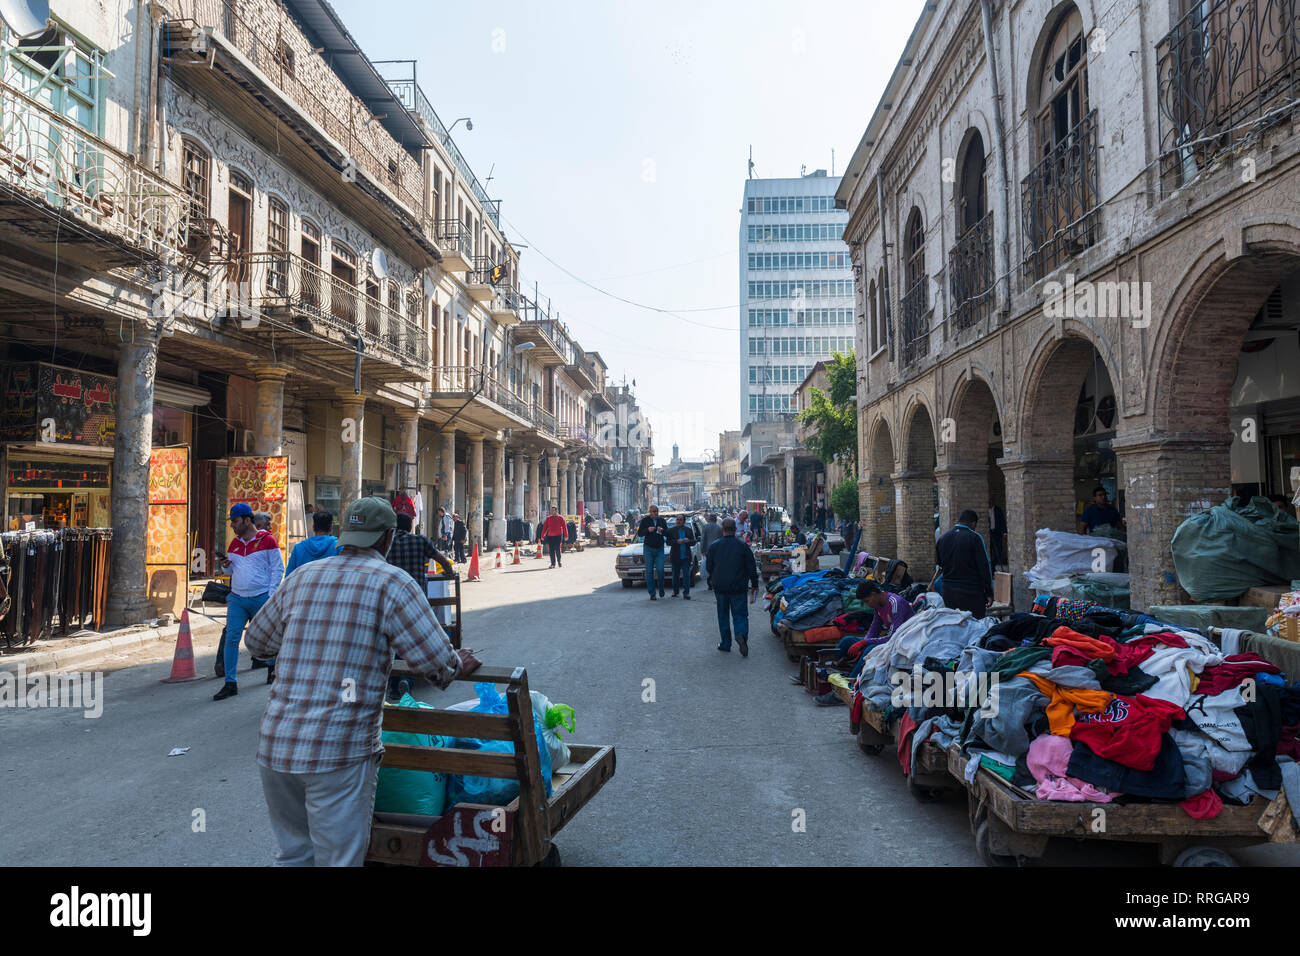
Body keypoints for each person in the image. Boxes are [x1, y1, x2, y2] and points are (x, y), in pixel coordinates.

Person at [244, 496, 480, 867]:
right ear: (387, 539)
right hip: (339, 751)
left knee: (294, 856)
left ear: (345, 535)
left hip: (277, 748)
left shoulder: (303, 576)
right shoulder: (392, 583)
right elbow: (436, 665)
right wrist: (457, 664)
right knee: (340, 860)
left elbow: (257, 642)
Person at [214, 503, 285, 700]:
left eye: (235, 521)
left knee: (267, 637)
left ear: (247, 520)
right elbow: (230, 571)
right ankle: (230, 682)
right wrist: (226, 566)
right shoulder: (234, 544)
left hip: (261, 596)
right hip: (237, 598)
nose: (232, 526)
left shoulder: (268, 540)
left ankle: (272, 670)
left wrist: (271, 594)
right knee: (231, 638)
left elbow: (277, 569)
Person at [813, 580, 916, 705]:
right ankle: (825, 669)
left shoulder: (896, 603)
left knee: (869, 649)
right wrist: (863, 642)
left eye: (867, 601)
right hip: (892, 641)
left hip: (904, 644)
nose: (866, 605)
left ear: (874, 593)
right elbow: (874, 629)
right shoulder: (878, 606)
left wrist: (865, 643)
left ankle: (848, 687)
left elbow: (894, 637)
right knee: (848, 641)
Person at [706, 518, 759, 656]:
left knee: (723, 615)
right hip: (738, 587)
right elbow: (751, 567)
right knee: (740, 615)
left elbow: (709, 567)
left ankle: (725, 643)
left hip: (721, 587)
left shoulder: (714, 546)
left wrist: (714, 578)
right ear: (735, 529)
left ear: (722, 530)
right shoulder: (743, 547)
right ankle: (741, 635)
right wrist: (754, 584)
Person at [935, 509, 994, 620]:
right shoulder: (975, 538)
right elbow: (984, 568)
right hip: (971, 593)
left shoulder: (942, 539)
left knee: (954, 626)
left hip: (949, 592)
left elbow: (940, 565)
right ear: (973, 523)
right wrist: (989, 592)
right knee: (975, 629)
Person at [286, 510, 338, 575]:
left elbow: (288, 577)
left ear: (313, 527)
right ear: (331, 528)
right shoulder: (338, 547)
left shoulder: (298, 548)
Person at [637, 505, 669, 600]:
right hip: (648, 548)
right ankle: (652, 593)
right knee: (649, 571)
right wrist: (647, 530)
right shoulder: (645, 520)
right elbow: (640, 533)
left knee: (660, 570)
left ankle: (661, 588)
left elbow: (667, 533)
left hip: (659, 548)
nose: (654, 513)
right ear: (649, 512)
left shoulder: (662, 521)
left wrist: (662, 531)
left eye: (656, 511)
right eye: (652, 511)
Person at [667, 514, 697, 599]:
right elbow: (668, 542)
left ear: (684, 521)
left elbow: (693, 541)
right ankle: (675, 591)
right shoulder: (671, 530)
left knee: (686, 575)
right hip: (675, 556)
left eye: (680, 520)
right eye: (677, 520)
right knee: (675, 575)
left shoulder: (688, 530)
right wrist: (677, 541)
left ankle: (686, 593)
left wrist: (688, 541)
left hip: (686, 557)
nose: (678, 521)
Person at [700, 513, 724, 590]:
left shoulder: (705, 526)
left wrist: (702, 549)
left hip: (708, 550)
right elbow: (722, 539)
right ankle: (715, 582)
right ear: (716, 519)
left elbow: (703, 539)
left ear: (710, 519)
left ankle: (709, 583)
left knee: (709, 566)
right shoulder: (720, 527)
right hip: (717, 550)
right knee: (716, 566)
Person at [989, 499, 1009, 570]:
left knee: (998, 549)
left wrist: (1004, 532)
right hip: (989, 532)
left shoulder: (998, 510)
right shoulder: (986, 510)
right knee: (990, 550)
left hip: (997, 532)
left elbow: (1002, 521)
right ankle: (991, 568)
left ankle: (994, 565)